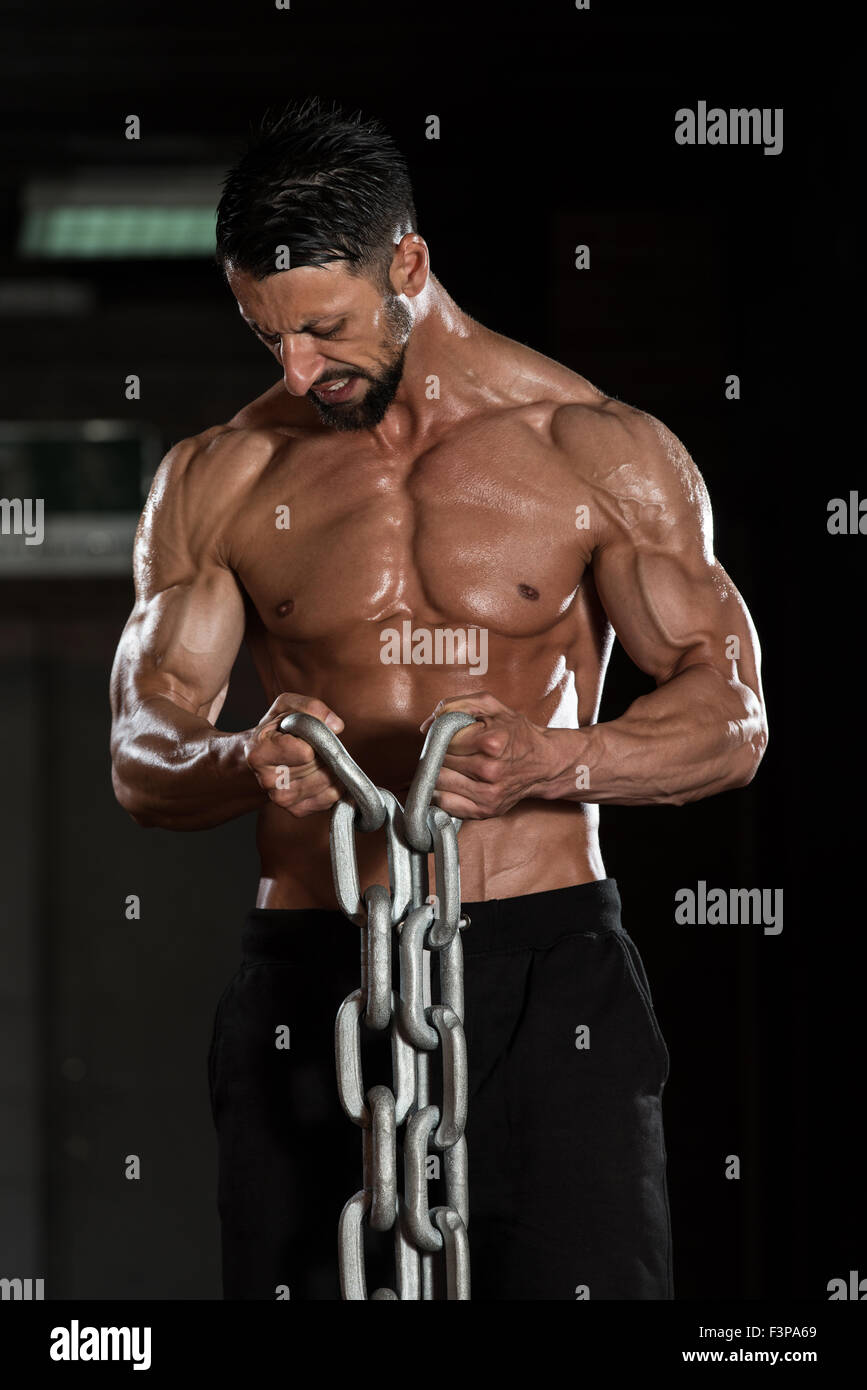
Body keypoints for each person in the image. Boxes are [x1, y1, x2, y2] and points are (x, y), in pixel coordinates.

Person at [109, 97, 768, 1300]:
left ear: (407, 263)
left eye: (325, 328)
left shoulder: (593, 450)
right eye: (270, 339)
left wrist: (557, 761)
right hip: (313, 964)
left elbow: (730, 719)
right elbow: (141, 748)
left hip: (539, 968)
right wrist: (239, 758)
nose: (299, 371)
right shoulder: (221, 476)